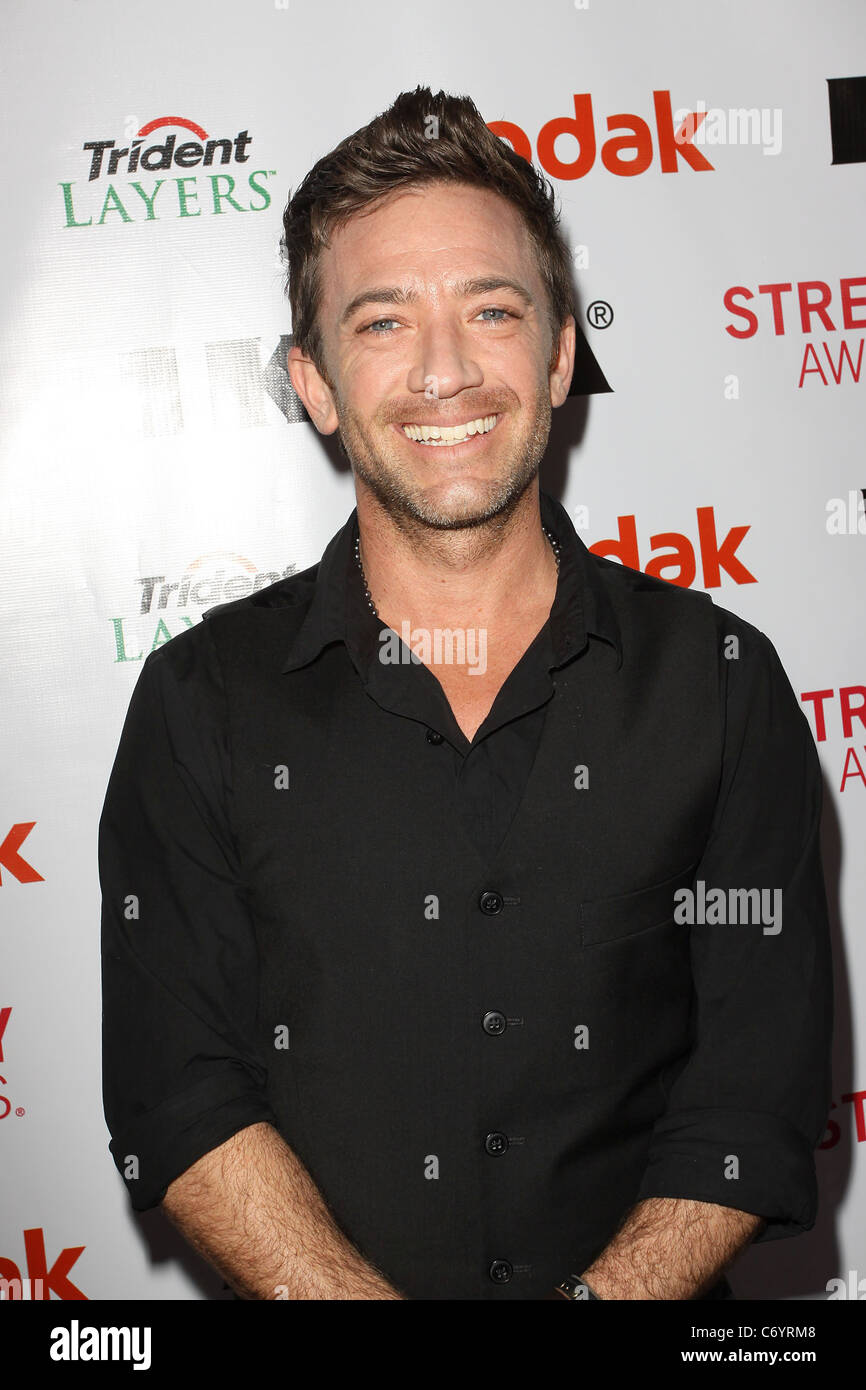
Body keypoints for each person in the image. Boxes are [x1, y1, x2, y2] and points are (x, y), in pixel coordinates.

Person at [99, 86, 833, 1301]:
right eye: (382, 322)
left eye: (491, 311)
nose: (445, 372)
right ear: (315, 383)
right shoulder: (201, 702)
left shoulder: (718, 683)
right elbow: (181, 1089)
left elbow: (750, 1095)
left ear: (555, 356)